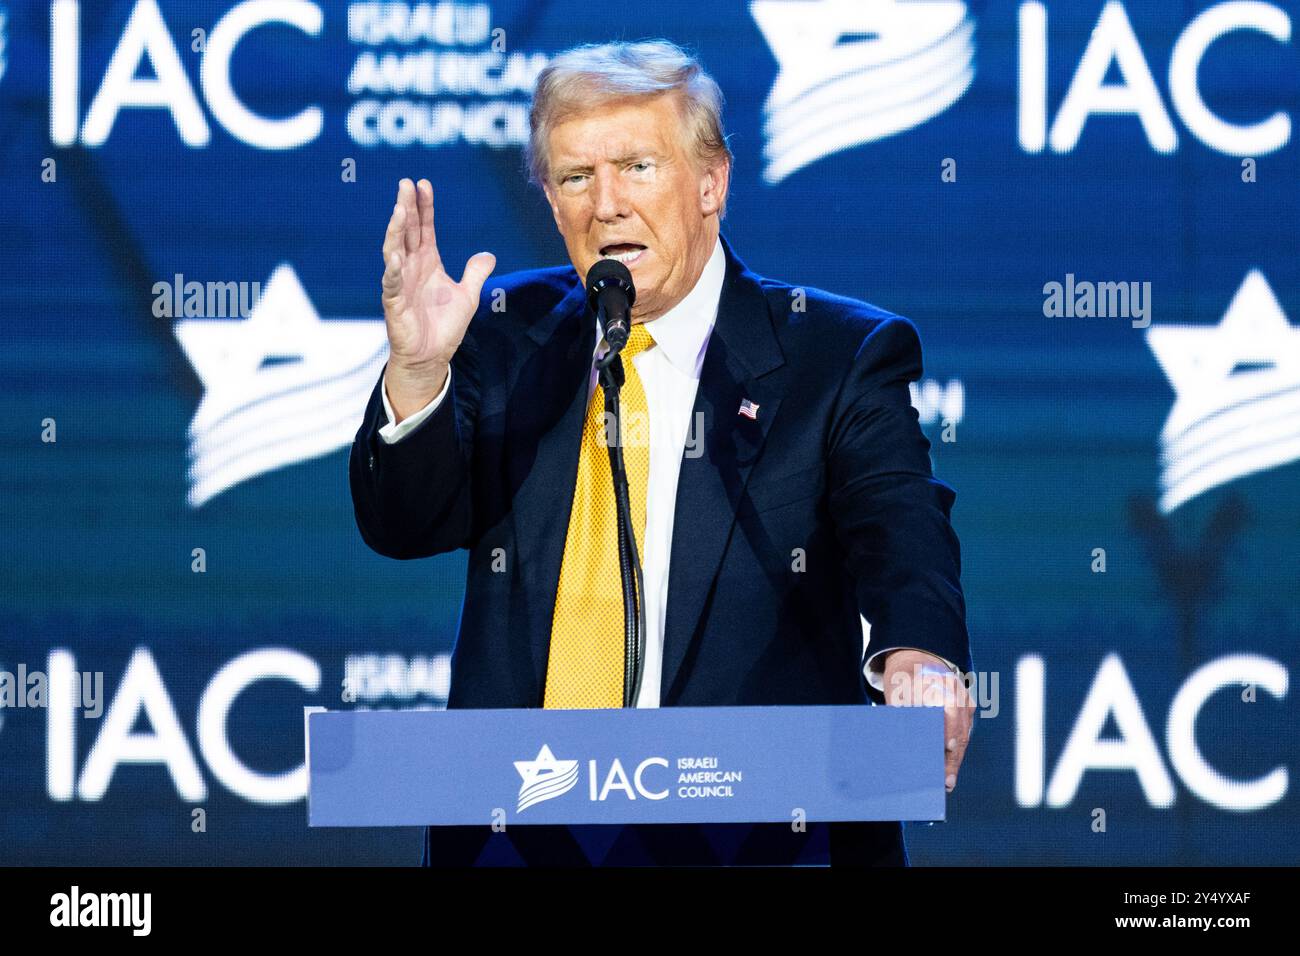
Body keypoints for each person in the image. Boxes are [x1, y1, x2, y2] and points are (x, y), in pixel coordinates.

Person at [349, 39, 975, 866]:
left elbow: (901, 531)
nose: (605, 205)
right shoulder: (499, 332)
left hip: (761, 840)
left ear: (711, 182)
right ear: (549, 197)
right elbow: (404, 525)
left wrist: (919, 654)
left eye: (637, 167)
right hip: (523, 838)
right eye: (575, 178)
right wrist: (420, 371)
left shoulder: (839, 354)